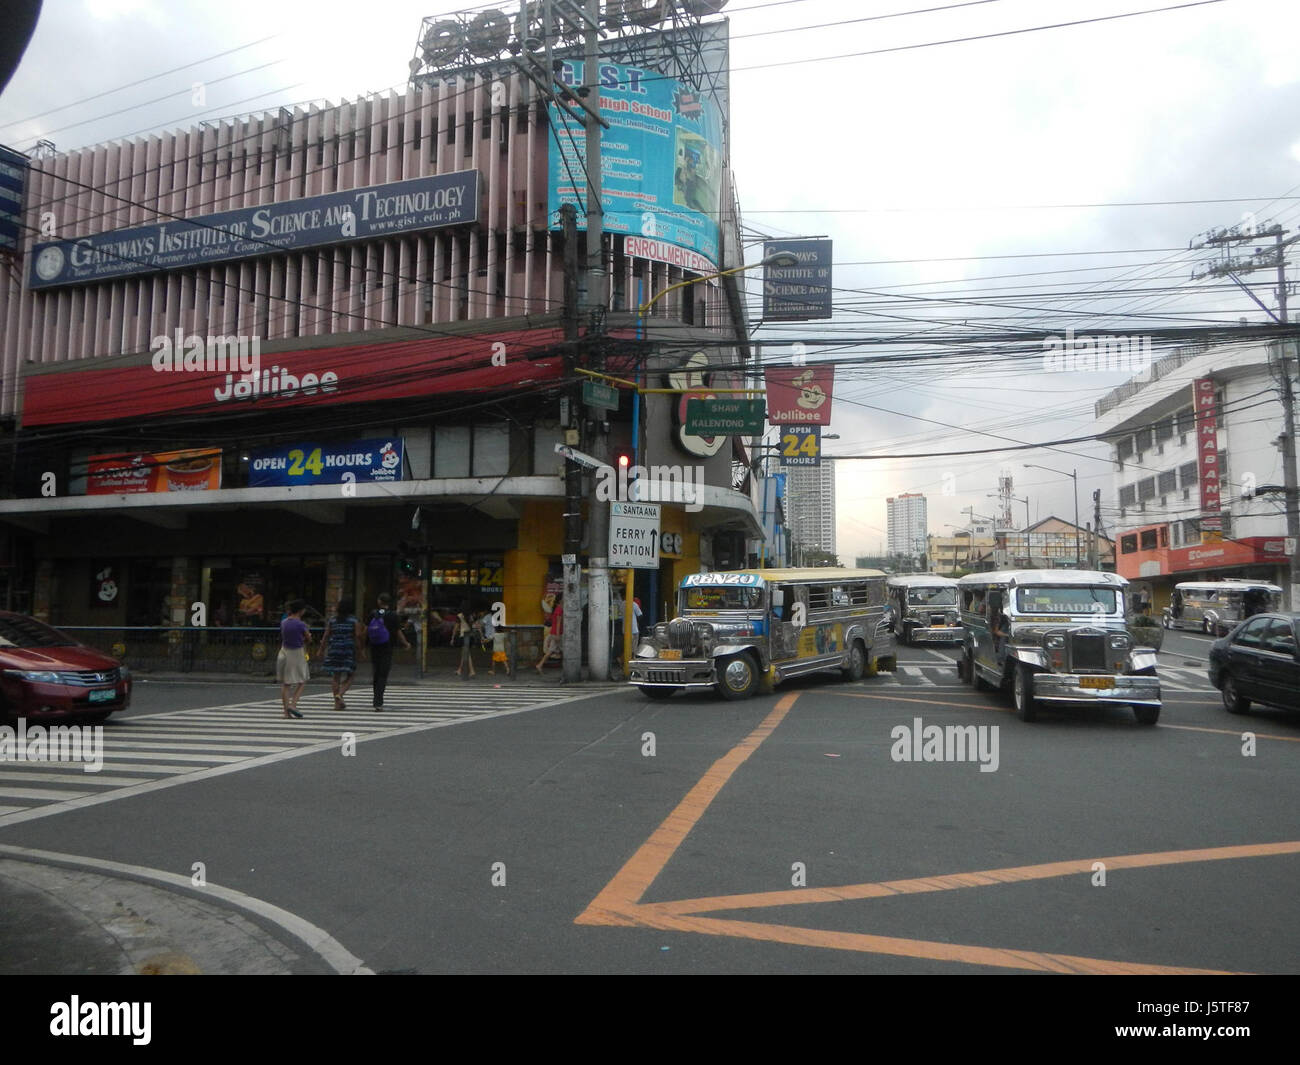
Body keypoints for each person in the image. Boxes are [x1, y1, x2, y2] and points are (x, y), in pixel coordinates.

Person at [367, 592, 409, 710]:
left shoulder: (372, 614)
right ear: (389, 603)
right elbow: (398, 632)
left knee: (376, 672)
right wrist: (406, 643)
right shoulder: (393, 616)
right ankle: (378, 701)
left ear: (379, 601)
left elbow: (366, 629)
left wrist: (361, 646)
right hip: (387, 647)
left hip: (374, 646)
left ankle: (376, 698)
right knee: (383, 674)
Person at [321, 598, 364, 710]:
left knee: (336, 676)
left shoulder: (333, 620)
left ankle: (337, 703)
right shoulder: (354, 621)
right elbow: (358, 636)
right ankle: (340, 693)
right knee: (351, 674)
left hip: (334, 648)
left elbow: (326, 636)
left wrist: (321, 649)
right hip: (348, 649)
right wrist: (360, 651)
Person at [277, 599, 313, 719]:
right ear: (301, 611)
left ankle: (285, 712)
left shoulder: (284, 622)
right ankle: (293, 704)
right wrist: (307, 638)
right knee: (302, 680)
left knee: (286, 684)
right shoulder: (301, 624)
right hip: (297, 653)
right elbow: (308, 639)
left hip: (284, 652)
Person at [535, 595, 563, 673]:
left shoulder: (556, 609)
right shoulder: (559, 609)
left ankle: (540, 665)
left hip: (554, 632)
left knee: (551, 650)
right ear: (560, 600)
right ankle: (569, 666)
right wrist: (557, 635)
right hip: (558, 633)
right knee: (566, 649)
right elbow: (558, 622)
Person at [455, 606, 478, 679]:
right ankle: (459, 669)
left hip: (463, 636)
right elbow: (473, 625)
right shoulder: (470, 616)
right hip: (470, 636)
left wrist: (453, 636)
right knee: (464, 653)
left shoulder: (460, 616)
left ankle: (472, 671)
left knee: (467, 654)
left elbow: (456, 626)